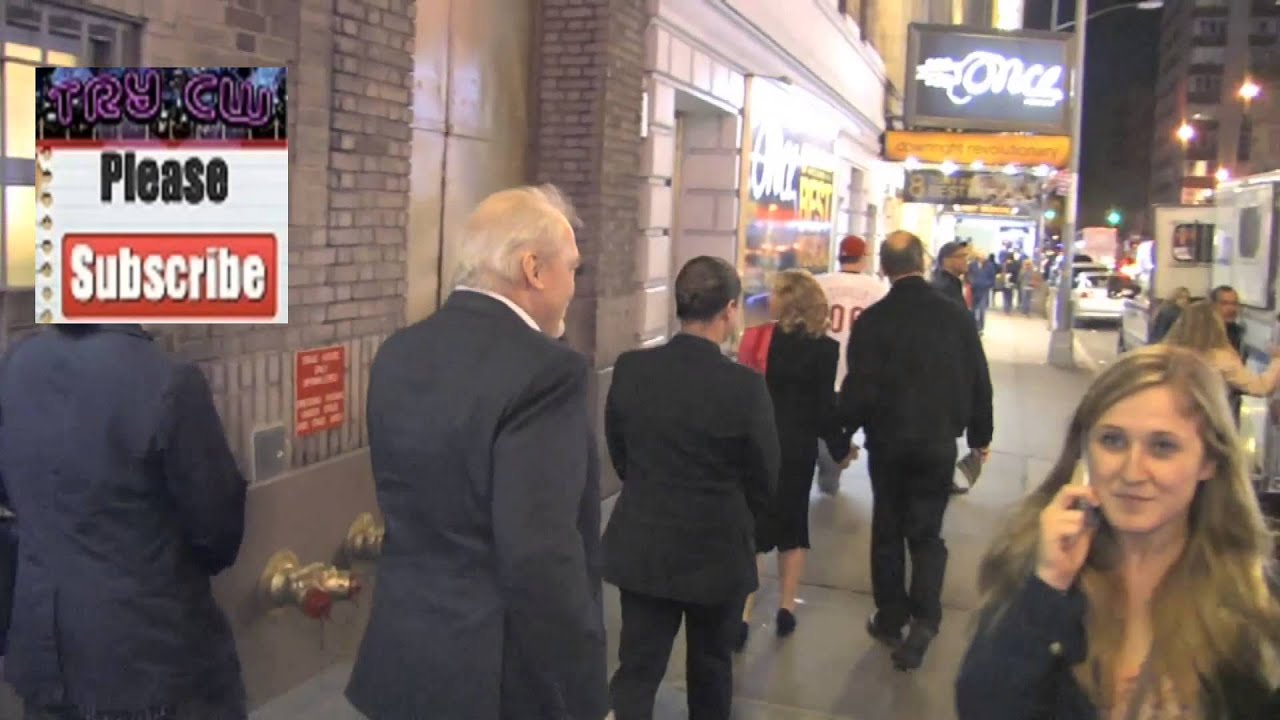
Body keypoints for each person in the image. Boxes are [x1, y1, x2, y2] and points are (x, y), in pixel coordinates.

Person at [346, 185, 609, 720]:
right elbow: (540, 553)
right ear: (533, 269)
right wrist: (586, 697)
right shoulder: (548, 373)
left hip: (401, 662)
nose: (572, 287)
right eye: (572, 269)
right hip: (496, 678)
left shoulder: (400, 351)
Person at [956, 345, 1280, 719]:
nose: (1131, 471)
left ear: (1209, 460)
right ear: (1083, 450)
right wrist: (1046, 588)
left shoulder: (1248, 596)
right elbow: (983, 707)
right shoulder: (1037, 562)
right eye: (1112, 440)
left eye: (1162, 446)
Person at [0, 324, 248, 719]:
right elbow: (218, 533)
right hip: (152, 663)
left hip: (48, 659)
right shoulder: (169, 380)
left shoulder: (15, 367)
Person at [603, 256, 779, 720]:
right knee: (711, 672)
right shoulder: (745, 388)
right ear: (729, 310)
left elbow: (620, 454)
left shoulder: (632, 369)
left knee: (637, 671)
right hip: (717, 551)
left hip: (644, 544)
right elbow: (765, 476)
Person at [839, 231, 994, 671]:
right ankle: (926, 618)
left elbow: (858, 388)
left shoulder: (873, 321)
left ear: (884, 269)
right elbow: (978, 377)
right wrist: (981, 436)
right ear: (923, 262)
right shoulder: (955, 317)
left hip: (888, 444)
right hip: (937, 443)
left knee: (887, 529)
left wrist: (840, 433)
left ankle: (890, 617)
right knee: (926, 534)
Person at [738, 270, 851, 646]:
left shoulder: (759, 339)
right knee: (793, 528)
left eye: (775, 292)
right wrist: (839, 448)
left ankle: (743, 611)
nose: (768, 297)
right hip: (798, 448)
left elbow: (746, 396)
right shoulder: (825, 349)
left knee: (754, 528)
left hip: (759, 445)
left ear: (788, 300)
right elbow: (824, 409)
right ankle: (787, 608)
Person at [812, 235, 888, 495]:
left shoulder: (820, 283)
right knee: (844, 427)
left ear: (839, 256)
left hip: (823, 366)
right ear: (864, 258)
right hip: (857, 371)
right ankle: (834, 464)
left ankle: (829, 462)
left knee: (822, 423)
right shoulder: (878, 289)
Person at [1161, 299, 1280, 407]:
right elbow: (1260, 387)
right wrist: (1277, 359)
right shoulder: (1220, 358)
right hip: (1204, 422)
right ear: (1216, 324)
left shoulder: (1165, 352)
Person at [931, 241, 968, 309]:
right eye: (961, 256)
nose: (965, 260)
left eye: (966, 256)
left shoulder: (953, 283)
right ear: (946, 261)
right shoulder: (944, 287)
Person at [968, 254, 998, 333]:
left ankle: (980, 328)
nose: (982, 258)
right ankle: (973, 326)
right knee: (973, 310)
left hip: (984, 290)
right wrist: (971, 282)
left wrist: (988, 284)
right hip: (974, 290)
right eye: (980, 256)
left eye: (983, 256)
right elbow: (968, 274)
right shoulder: (972, 265)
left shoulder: (990, 266)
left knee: (982, 310)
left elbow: (992, 278)